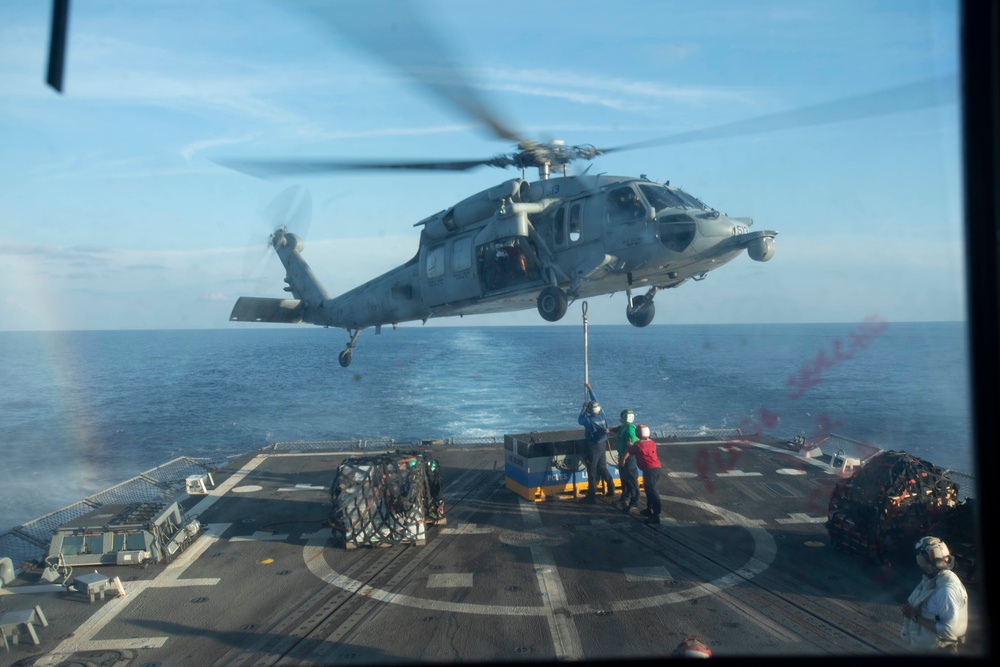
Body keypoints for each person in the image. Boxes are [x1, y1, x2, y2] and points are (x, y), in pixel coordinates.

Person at [900, 536, 968, 653]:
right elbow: (915, 598)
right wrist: (908, 607)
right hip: (924, 647)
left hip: (940, 651)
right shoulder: (930, 579)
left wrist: (916, 618)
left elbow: (949, 631)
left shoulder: (946, 591)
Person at [578, 382, 615, 502]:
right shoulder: (602, 415)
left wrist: (583, 410)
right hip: (603, 444)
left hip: (593, 447)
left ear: (589, 410)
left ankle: (591, 496)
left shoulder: (588, 420)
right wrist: (590, 390)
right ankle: (611, 487)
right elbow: (596, 401)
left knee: (592, 470)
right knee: (602, 467)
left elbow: (579, 420)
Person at [625, 424, 662, 524]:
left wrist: (629, 445)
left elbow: (631, 451)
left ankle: (656, 514)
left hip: (649, 470)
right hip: (656, 468)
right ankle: (649, 509)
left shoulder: (638, 445)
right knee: (649, 489)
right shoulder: (652, 442)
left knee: (652, 491)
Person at [614, 409, 640, 512]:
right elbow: (620, 437)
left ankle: (634, 503)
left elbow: (631, 447)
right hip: (623, 457)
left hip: (628, 459)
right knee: (624, 479)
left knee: (631, 480)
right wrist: (610, 432)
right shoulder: (625, 428)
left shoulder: (630, 429)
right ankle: (624, 499)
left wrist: (624, 458)